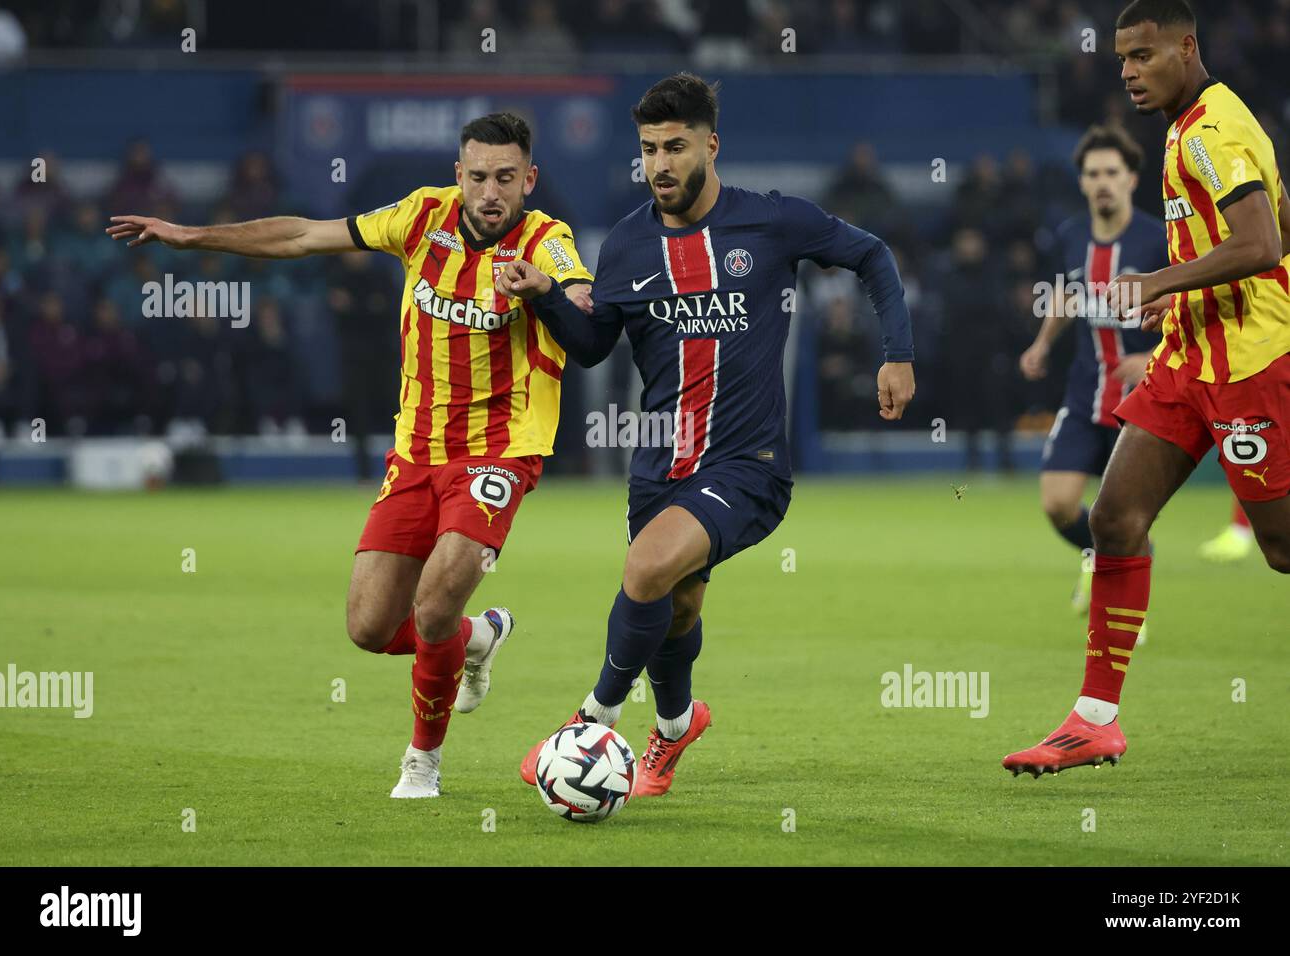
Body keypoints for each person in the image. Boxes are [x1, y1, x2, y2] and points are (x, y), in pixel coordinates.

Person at [108, 113, 594, 798]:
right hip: (415, 453)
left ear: (529, 180)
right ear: (460, 175)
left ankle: (422, 762)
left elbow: (583, 304)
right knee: (369, 628)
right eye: (479, 176)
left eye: (506, 178)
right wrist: (192, 236)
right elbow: (305, 235)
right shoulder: (422, 216)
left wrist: (547, 293)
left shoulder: (547, 241)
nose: (491, 191)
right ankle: (477, 638)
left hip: (499, 454)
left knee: (431, 608)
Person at [498, 73, 915, 798]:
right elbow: (594, 345)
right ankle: (673, 726)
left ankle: (587, 723)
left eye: (676, 147)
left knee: (645, 570)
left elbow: (872, 254)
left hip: (746, 464)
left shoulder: (772, 222)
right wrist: (542, 296)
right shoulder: (628, 244)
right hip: (660, 461)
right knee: (675, 605)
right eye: (649, 149)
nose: (660, 164)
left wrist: (898, 354)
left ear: (711, 145)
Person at [1004, 0, 1290, 778]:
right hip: (1189, 355)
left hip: (1250, 365)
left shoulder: (1213, 130)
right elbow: (1280, 228)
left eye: (1143, 56)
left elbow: (1262, 244)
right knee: (1114, 517)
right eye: (1121, 59)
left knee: (1280, 548)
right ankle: (1094, 720)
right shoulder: (1187, 125)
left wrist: (1158, 278)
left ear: (1187, 47)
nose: (1128, 73)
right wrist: (1185, 296)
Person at [1020, 125, 1164, 617]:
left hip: (1140, 402)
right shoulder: (1069, 236)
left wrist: (1151, 358)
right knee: (1058, 504)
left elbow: (1188, 307)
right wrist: (1042, 343)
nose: (1102, 181)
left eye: (1111, 172)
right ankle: (1096, 551)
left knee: (1128, 516)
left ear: (1130, 178)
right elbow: (1065, 292)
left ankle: (1127, 615)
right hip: (1084, 394)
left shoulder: (1157, 240)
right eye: (1092, 173)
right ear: (1081, 182)